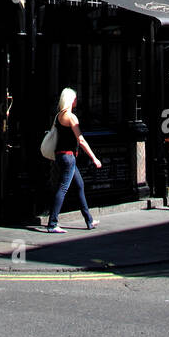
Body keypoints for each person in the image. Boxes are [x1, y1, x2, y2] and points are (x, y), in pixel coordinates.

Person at [47, 87, 101, 233]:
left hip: (60, 155)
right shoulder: (71, 117)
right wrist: (94, 158)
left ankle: (89, 220)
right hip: (69, 157)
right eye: (75, 98)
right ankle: (52, 223)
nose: (77, 100)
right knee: (63, 187)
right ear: (71, 100)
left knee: (79, 185)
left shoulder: (59, 116)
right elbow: (81, 140)